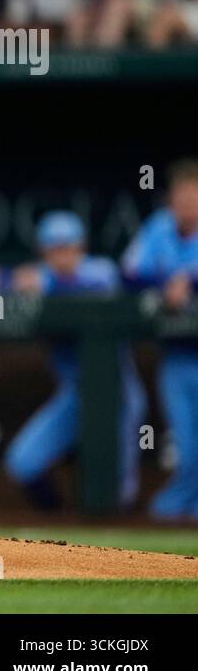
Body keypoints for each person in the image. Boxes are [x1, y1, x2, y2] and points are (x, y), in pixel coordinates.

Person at [0, 211, 146, 510]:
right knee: (22, 462)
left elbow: (93, 291)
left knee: (119, 492)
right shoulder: (40, 275)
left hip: (116, 393)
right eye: (55, 249)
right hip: (74, 395)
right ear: (44, 251)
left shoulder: (100, 270)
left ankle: (122, 549)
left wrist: (47, 286)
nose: (63, 255)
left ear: (82, 247)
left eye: (68, 247)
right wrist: (7, 279)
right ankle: (60, 525)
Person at [122, 160, 198, 520]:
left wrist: (190, 281)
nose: (187, 205)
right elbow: (130, 273)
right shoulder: (158, 228)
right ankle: (169, 512)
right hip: (177, 357)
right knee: (185, 446)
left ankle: (169, 509)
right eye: (181, 197)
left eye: (194, 197)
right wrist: (164, 283)